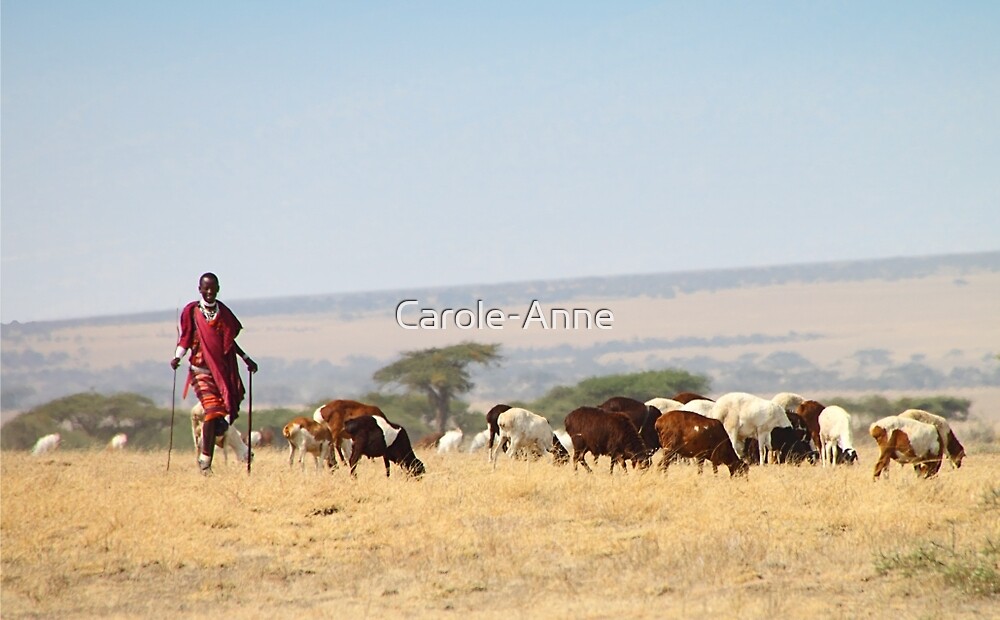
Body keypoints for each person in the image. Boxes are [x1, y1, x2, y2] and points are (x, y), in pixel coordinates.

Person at [171, 272, 258, 474]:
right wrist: (178, 357)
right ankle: (206, 460)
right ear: (199, 289)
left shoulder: (223, 314)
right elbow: (185, 338)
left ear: (218, 289)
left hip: (221, 372)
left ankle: (207, 458)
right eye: (205, 288)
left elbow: (227, 342)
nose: (209, 292)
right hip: (200, 371)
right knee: (212, 411)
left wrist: (246, 358)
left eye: (213, 288)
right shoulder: (192, 312)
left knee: (218, 416)